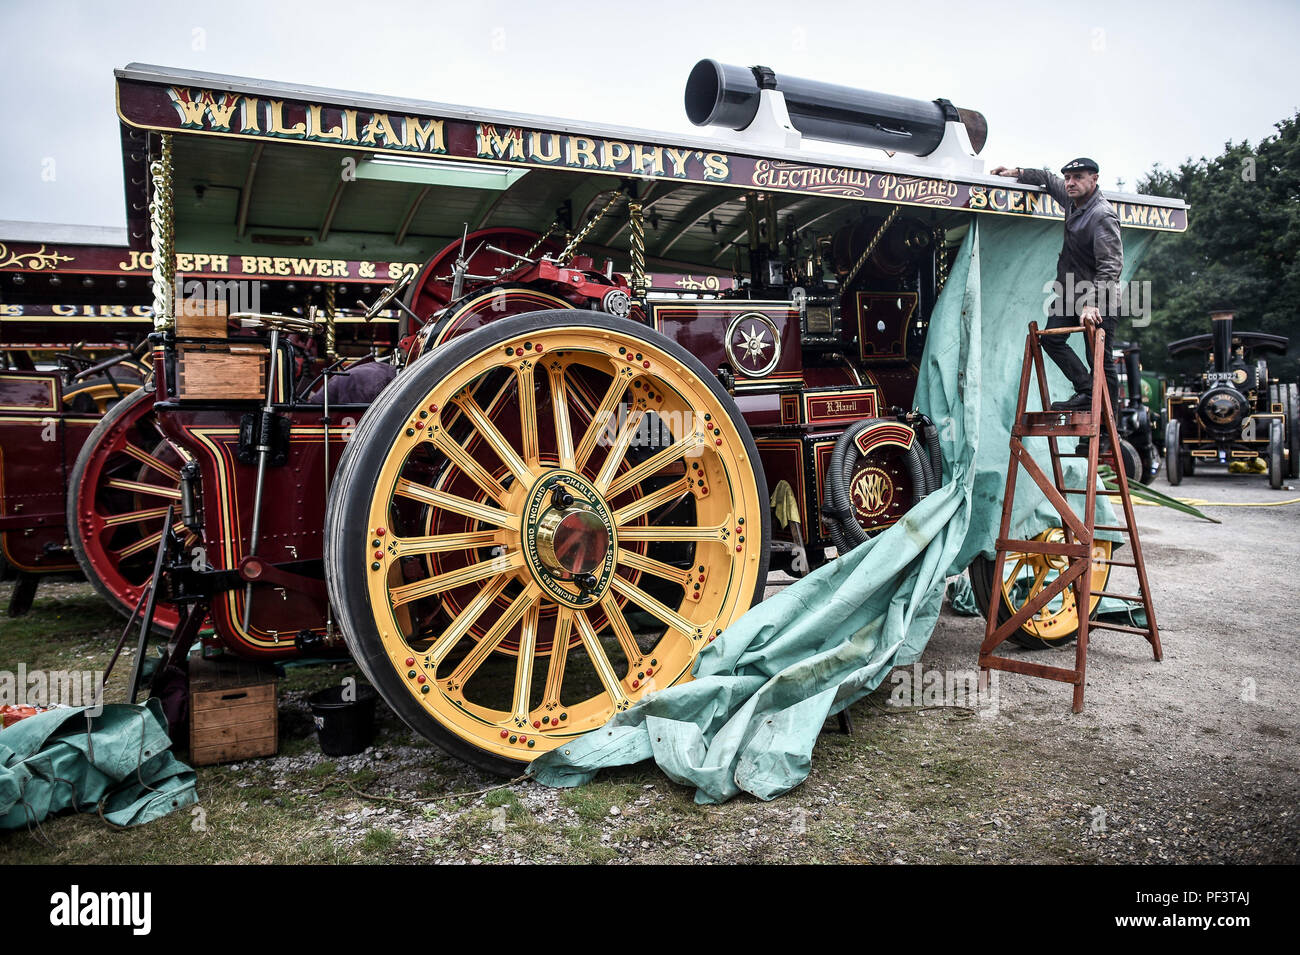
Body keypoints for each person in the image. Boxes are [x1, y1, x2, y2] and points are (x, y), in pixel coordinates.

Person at [989, 158, 1123, 419]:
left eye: (1078, 177)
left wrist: (1092, 304)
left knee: (1100, 361)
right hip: (1071, 294)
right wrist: (1017, 172)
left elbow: (1111, 266)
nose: (1070, 183)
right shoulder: (1073, 200)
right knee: (1050, 338)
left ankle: (1109, 429)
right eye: (1068, 178)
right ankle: (1086, 391)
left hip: (1100, 298)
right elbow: (1049, 180)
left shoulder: (1102, 215)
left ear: (1094, 179)